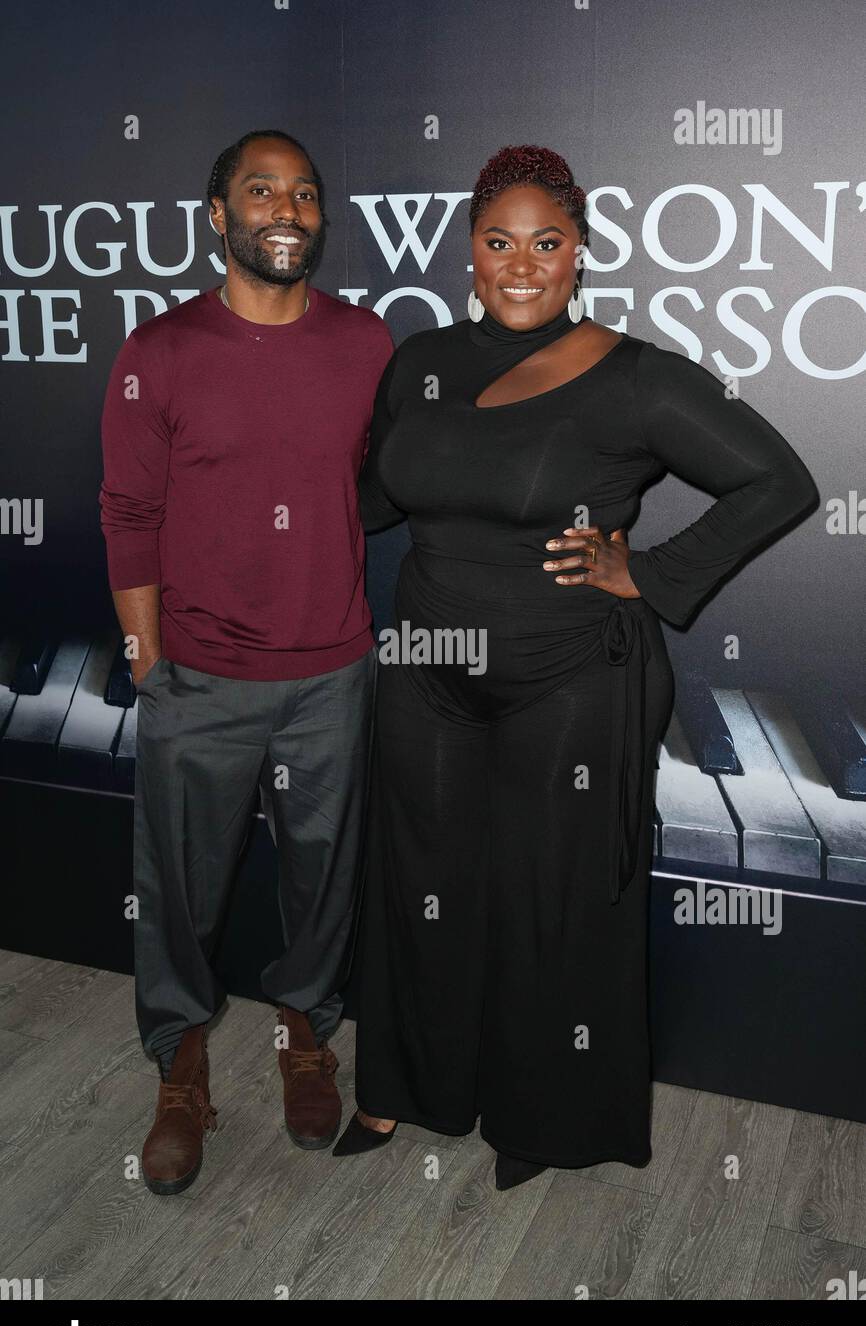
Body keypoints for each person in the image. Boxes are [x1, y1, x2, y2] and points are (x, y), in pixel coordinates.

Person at [334, 145, 819, 1190]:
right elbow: (375, 499)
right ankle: (407, 1083)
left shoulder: (631, 373)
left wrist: (647, 570)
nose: (519, 265)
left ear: (580, 252)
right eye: (497, 242)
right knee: (419, 876)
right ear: (467, 248)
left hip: (568, 672)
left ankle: (540, 1114)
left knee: (548, 894)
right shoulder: (418, 358)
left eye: (544, 243)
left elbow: (776, 481)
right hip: (426, 660)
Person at [99, 130, 393, 1195]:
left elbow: (389, 480)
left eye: (305, 192)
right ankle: (179, 1065)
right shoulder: (160, 352)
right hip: (199, 679)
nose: (287, 207)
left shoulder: (366, 344)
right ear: (217, 216)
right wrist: (147, 657)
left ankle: (302, 1038)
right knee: (176, 892)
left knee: (322, 882)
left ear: (321, 219)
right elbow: (128, 509)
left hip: (332, 675)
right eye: (260, 189)